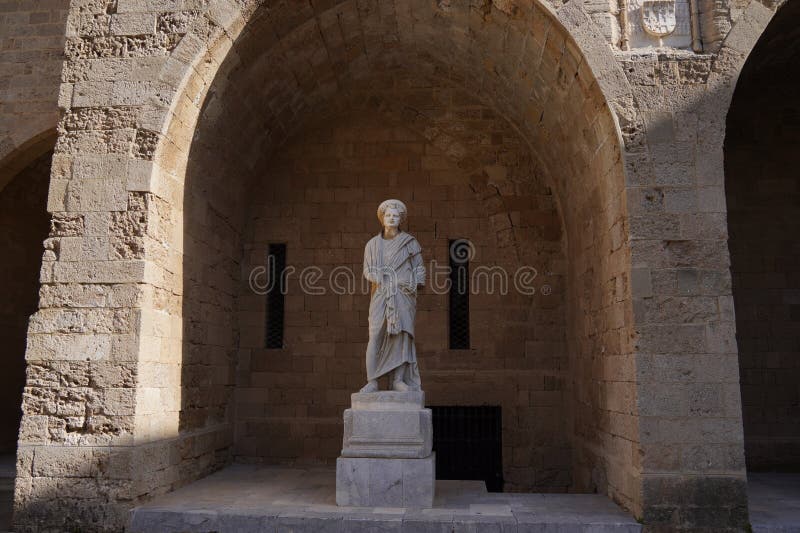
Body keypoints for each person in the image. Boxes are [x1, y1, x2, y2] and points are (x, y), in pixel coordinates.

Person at [359, 199, 426, 393]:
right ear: (382, 219)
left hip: (403, 294)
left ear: (401, 219)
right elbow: (367, 269)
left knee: (402, 335)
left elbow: (419, 267)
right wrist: (376, 276)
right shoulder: (372, 245)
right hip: (381, 293)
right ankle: (372, 381)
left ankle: (398, 380)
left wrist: (416, 282)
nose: (391, 218)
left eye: (395, 216)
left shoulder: (410, 243)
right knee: (375, 335)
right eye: (388, 215)